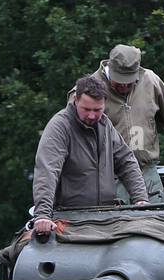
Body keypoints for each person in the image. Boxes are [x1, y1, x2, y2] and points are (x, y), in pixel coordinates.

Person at [69, 44, 164, 204]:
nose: (124, 86)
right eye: (119, 81)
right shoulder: (87, 93)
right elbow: (70, 138)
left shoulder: (151, 81)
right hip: (106, 180)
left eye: (129, 81)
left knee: (156, 225)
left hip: (147, 176)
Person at [33, 76, 147, 236]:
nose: (92, 116)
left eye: (97, 110)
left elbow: (126, 161)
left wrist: (140, 199)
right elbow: (48, 171)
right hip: (70, 218)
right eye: (86, 109)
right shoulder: (60, 127)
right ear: (76, 100)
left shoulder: (105, 124)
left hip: (107, 217)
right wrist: (43, 215)